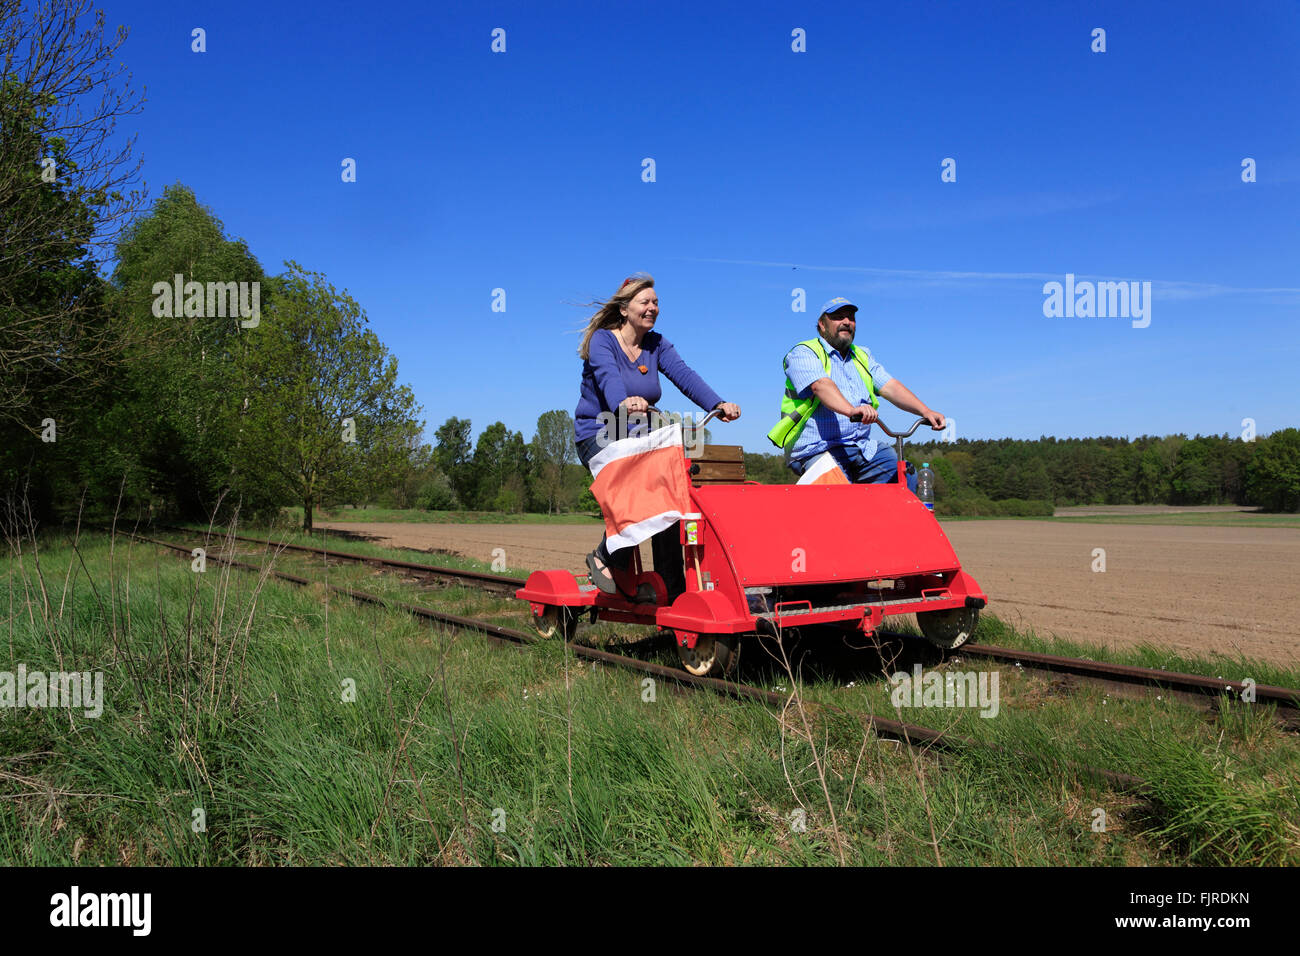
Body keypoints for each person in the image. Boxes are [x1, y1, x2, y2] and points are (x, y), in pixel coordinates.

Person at [575, 274, 740, 601]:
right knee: (644, 489)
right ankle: (606, 555)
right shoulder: (603, 341)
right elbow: (609, 379)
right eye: (644, 302)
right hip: (599, 434)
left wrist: (717, 404)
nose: (652, 308)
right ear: (624, 309)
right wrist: (623, 402)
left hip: (638, 439)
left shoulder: (657, 344)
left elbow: (685, 376)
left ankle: (673, 589)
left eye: (656, 303)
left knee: (671, 492)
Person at [768, 296, 944, 490]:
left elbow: (890, 386)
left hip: (860, 447)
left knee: (904, 475)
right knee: (839, 497)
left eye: (851, 318)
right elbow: (821, 385)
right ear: (822, 324)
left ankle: (886, 520)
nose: (846, 322)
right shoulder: (804, 352)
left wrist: (925, 411)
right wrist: (851, 410)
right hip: (817, 449)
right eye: (838, 317)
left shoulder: (862, 356)